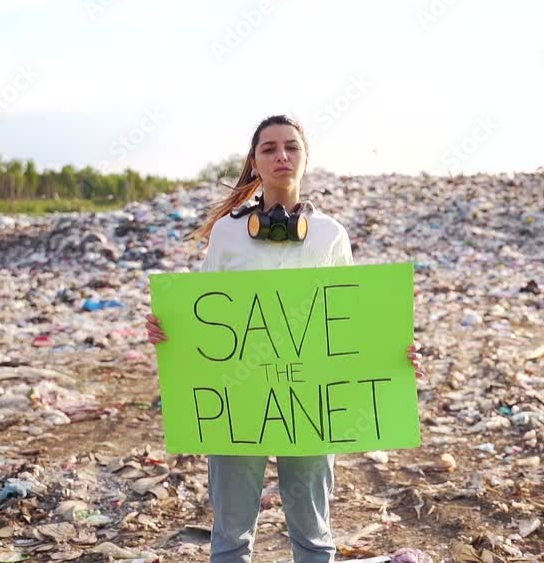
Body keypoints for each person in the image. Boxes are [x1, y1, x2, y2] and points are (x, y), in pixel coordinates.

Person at [144, 114, 424, 563]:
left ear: (306, 159)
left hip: (310, 403)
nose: (281, 156)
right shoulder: (227, 234)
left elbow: (350, 320)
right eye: (269, 148)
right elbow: (205, 313)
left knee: (313, 536)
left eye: (291, 147)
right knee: (231, 537)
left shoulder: (331, 236)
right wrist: (169, 330)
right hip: (237, 399)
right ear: (253, 161)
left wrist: (394, 354)